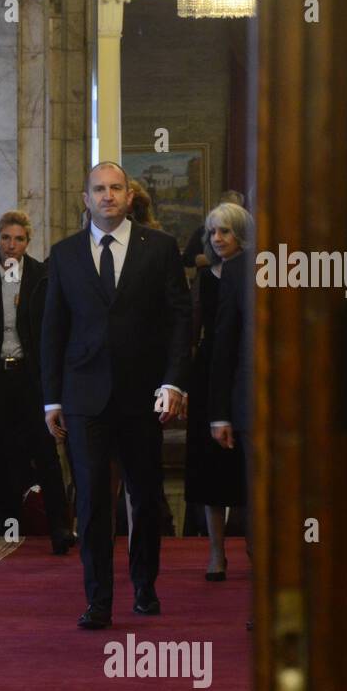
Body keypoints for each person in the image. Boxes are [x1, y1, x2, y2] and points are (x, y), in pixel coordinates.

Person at [40, 161, 192, 630]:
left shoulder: (160, 248)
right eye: (98, 190)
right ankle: (98, 599)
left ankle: (144, 586)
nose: (107, 196)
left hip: (142, 394)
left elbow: (180, 320)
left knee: (145, 496)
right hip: (84, 397)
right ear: (85, 199)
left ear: (129, 196)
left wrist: (173, 382)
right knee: (90, 500)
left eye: (115, 189)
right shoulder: (64, 255)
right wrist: (51, 399)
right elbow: (52, 330)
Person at [0, 210, 72, 553]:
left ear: (28, 241)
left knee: (45, 451)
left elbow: (53, 329)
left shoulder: (41, 276)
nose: (12, 245)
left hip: (29, 374)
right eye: (6, 238)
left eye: (19, 239)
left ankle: (59, 527)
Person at [184, 202, 250, 581]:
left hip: (244, 372)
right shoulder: (205, 278)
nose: (218, 238)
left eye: (225, 230)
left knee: (244, 467)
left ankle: (253, 550)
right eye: (212, 232)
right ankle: (216, 553)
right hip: (209, 372)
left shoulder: (260, 273)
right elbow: (193, 331)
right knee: (210, 469)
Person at [208, 202, 257, 603]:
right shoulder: (239, 270)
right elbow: (223, 346)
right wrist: (220, 412)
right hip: (249, 405)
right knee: (258, 496)